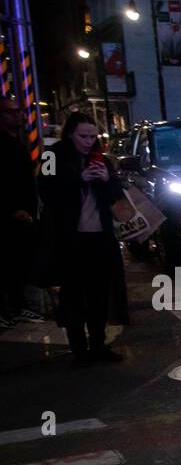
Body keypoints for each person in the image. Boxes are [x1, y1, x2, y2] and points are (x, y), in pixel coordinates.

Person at [37, 112, 127, 365]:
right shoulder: (51, 156)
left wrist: (106, 179)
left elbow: (116, 194)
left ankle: (98, 344)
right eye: (83, 136)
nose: (88, 141)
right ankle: (79, 348)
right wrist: (78, 180)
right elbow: (45, 189)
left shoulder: (101, 159)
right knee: (74, 295)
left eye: (92, 136)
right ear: (70, 134)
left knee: (99, 293)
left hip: (100, 236)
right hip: (69, 238)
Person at [0, 97, 41, 328]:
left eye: (18, 112)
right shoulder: (4, 145)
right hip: (11, 217)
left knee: (20, 263)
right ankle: (8, 308)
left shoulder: (19, 142)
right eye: (11, 112)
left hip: (25, 213)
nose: (18, 116)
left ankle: (17, 306)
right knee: (9, 263)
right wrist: (12, 209)